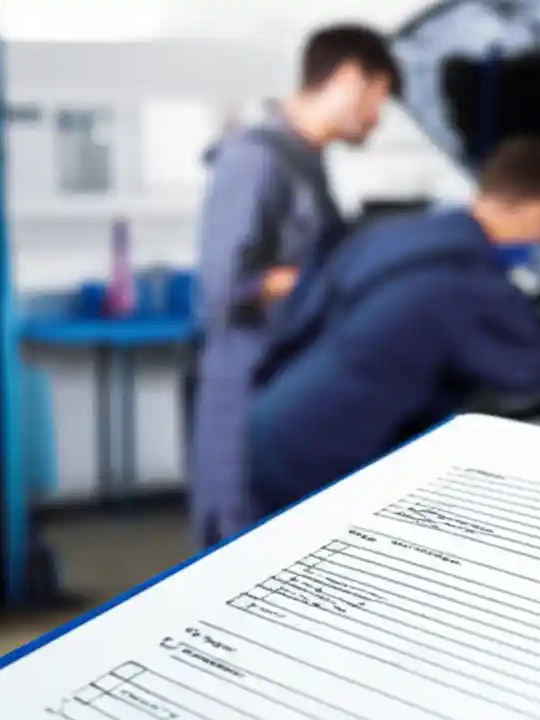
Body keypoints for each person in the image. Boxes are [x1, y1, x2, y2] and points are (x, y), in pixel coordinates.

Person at [247, 137, 540, 521]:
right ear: (538, 206)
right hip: (322, 457)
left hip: (272, 422)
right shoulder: (468, 280)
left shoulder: (399, 233)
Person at [190, 24, 401, 546]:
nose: (377, 119)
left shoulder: (307, 162)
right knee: (238, 558)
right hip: (246, 393)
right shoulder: (256, 157)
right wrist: (335, 278)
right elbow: (223, 288)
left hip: (289, 389)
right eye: (380, 99)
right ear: (351, 79)